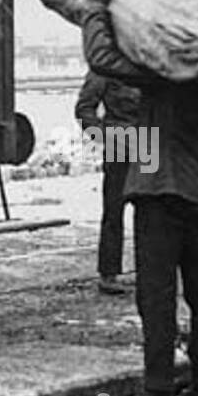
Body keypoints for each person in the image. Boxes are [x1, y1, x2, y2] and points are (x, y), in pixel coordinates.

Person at [79, 0, 198, 396]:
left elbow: (102, 59)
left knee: (157, 297)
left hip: (158, 192)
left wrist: (95, 7)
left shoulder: (164, 67)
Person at [75, 70, 142, 295]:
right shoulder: (105, 67)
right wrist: (105, 138)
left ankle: (150, 271)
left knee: (151, 212)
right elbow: (84, 109)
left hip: (148, 144)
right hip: (119, 147)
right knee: (114, 210)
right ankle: (109, 275)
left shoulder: (146, 61)